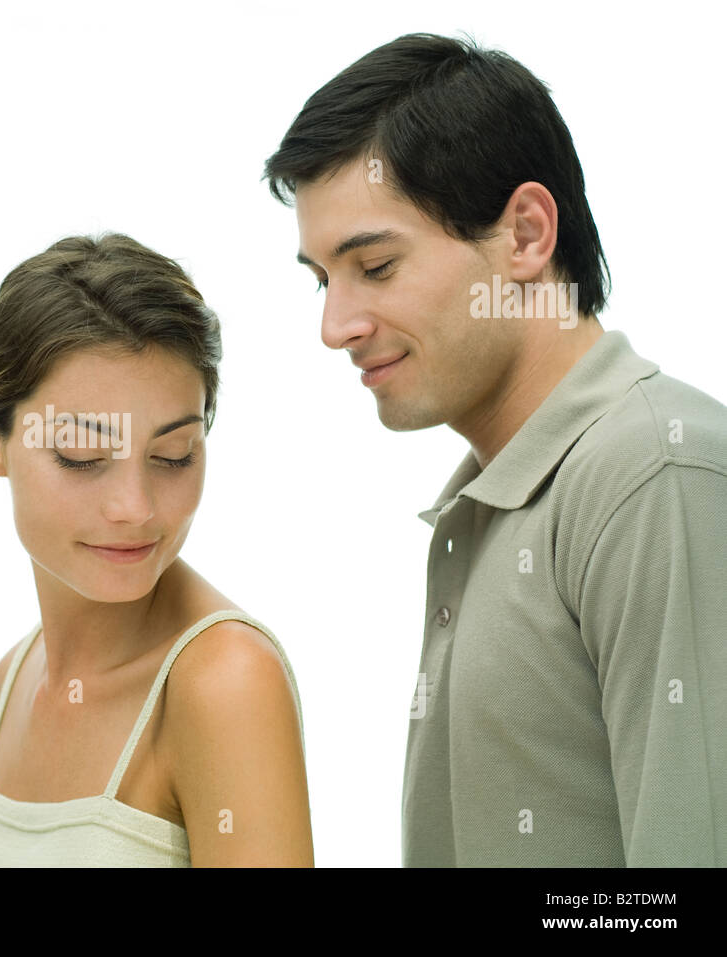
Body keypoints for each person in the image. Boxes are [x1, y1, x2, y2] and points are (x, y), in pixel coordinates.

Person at [263, 32, 727, 866]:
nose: (335, 326)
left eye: (374, 265)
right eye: (321, 279)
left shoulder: (655, 473)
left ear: (525, 234)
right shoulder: (496, 502)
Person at [0, 232, 313, 866]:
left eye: (172, 456)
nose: (137, 507)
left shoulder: (224, 681)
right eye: (84, 456)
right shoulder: (12, 680)